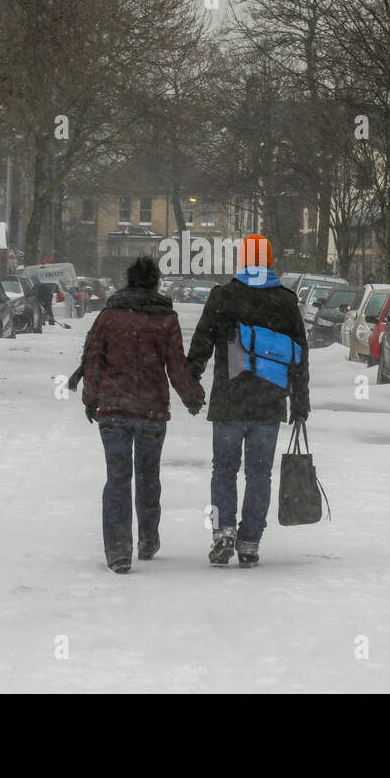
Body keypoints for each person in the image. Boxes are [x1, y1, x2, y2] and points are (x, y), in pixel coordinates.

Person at [188, 234, 309, 567]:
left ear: (243, 261)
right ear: (270, 261)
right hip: (269, 403)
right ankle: (250, 541)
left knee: (223, 471)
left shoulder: (223, 296)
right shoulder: (285, 301)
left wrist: (190, 385)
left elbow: (201, 343)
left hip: (229, 400)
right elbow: (300, 356)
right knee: (260, 476)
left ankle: (222, 532)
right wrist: (300, 402)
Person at [81, 256, 204, 574]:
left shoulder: (109, 316)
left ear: (128, 281)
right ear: (156, 283)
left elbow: (94, 358)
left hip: (113, 409)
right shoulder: (166, 318)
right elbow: (176, 365)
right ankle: (148, 540)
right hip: (151, 410)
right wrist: (192, 397)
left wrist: (91, 398)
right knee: (149, 478)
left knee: (117, 479)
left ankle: (119, 551)